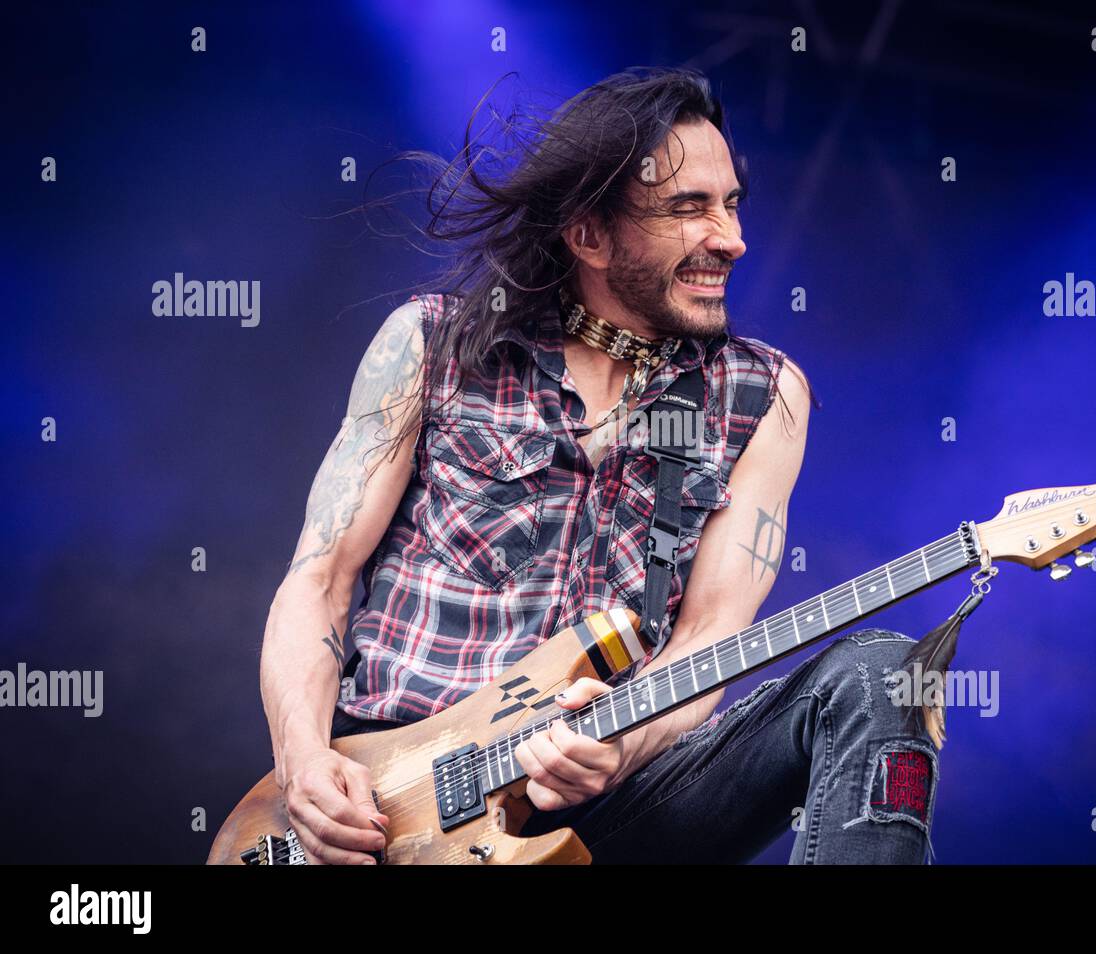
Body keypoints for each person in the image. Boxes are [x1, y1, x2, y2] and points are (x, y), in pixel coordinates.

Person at [258, 67, 938, 865]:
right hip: (398, 799)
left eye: (731, 204)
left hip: (614, 797)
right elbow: (318, 581)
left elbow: (708, 641)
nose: (731, 237)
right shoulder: (432, 345)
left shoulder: (762, 396)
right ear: (588, 234)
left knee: (887, 674)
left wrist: (621, 744)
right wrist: (304, 764)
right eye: (689, 209)